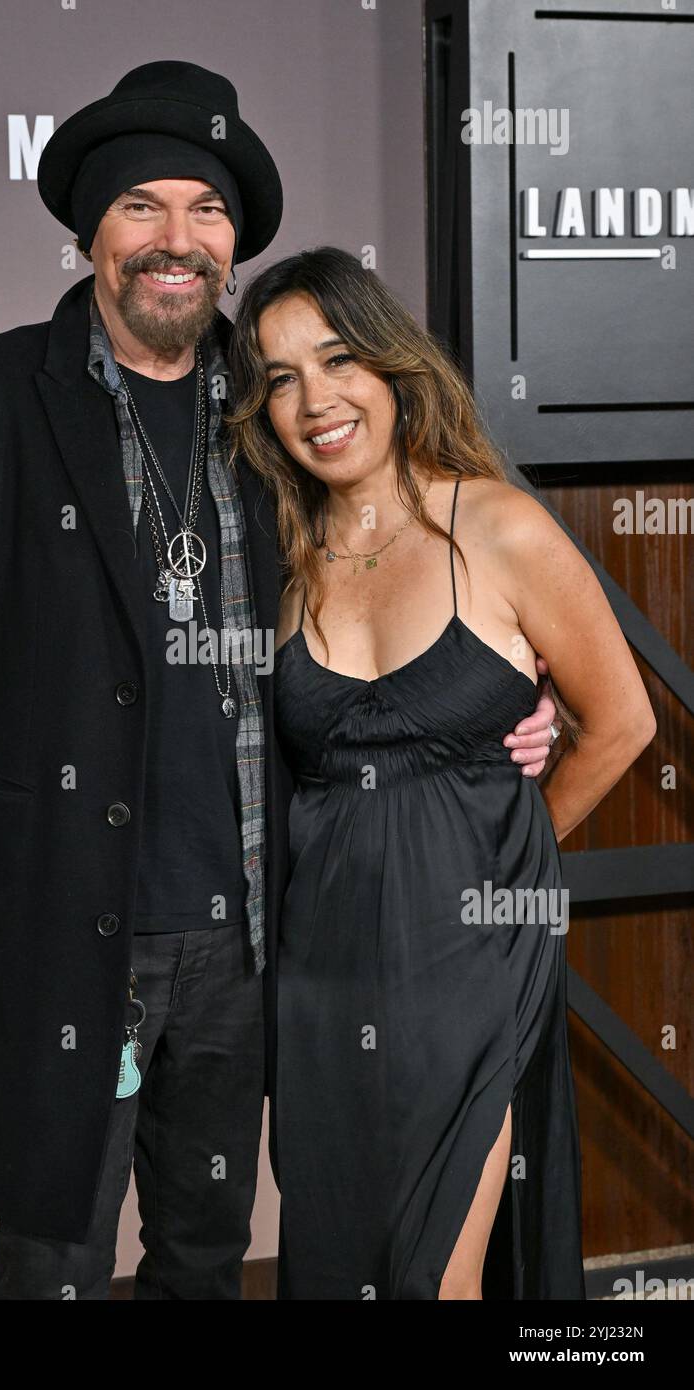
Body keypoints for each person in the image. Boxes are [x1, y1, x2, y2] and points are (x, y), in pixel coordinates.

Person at [0, 64, 560, 1301]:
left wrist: (506, 703)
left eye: (204, 211)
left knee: (205, 1257)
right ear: (90, 232)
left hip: (250, 938)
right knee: (50, 1261)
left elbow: (397, 587)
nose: (174, 241)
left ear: (232, 244)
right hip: (63, 929)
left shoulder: (286, 411)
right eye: (141, 207)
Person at [226, 246, 657, 1300]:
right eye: (280, 378)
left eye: (335, 361)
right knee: (338, 1264)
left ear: (390, 368)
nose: (314, 400)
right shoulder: (280, 554)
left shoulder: (499, 526)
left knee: (430, 1272)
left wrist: (503, 863)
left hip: (466, 965)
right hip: (320, 966)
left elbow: (621, 722)